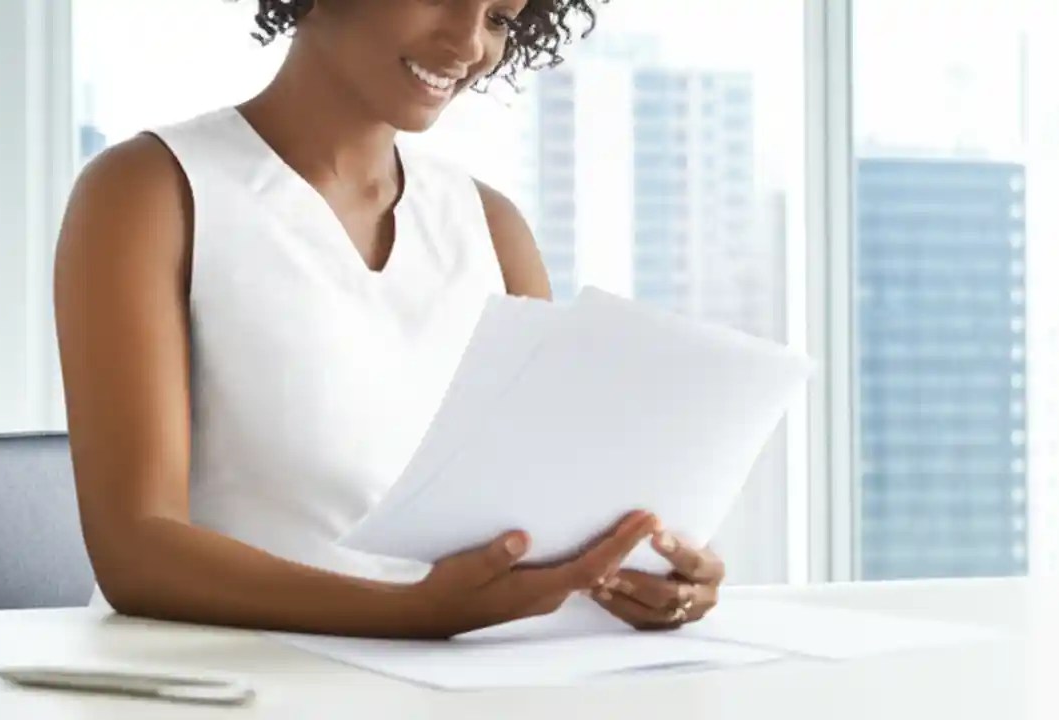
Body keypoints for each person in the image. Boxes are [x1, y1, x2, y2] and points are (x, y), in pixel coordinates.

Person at [53, 0, 725, 640]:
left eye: (498, 18)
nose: (468, 45)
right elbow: (134, 550)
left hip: (446, 685)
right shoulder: (150, 192)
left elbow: (542, 520)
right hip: (216, 684)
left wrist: (634, 574)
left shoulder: (491, 230)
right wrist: (409, 614)